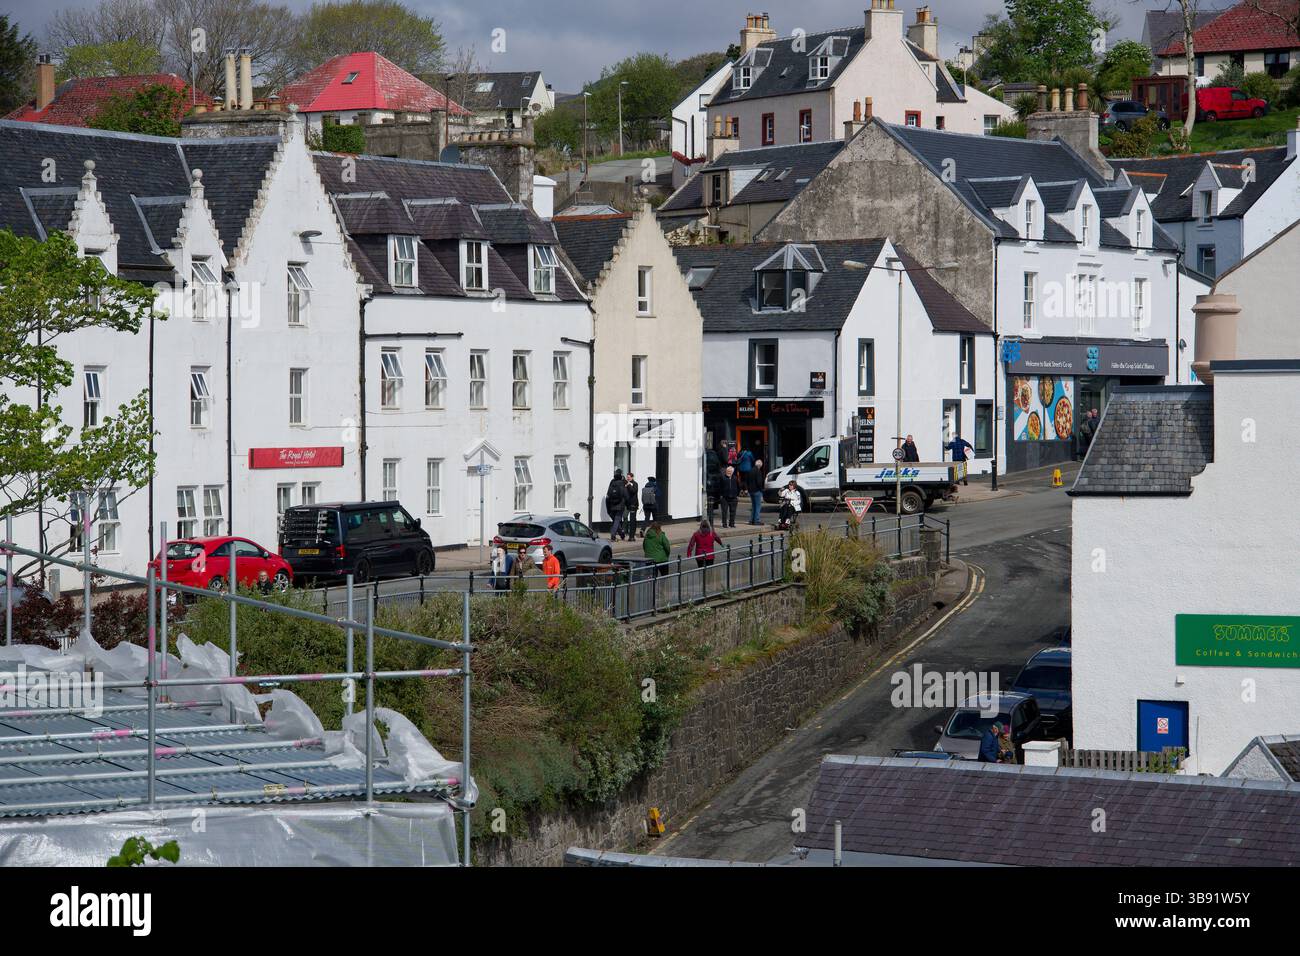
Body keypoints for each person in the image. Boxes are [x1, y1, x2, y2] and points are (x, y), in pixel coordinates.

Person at [605, 469, 626, 541]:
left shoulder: (612, 481)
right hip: (620, 504)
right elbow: (625, 494)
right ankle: (613, 535)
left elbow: (608, 494)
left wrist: (608, 505)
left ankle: (621, 533)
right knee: (617, 520)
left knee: (615, 520)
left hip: (612, 504)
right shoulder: (622, 482)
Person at [719, 464, 741, 529]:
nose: (728, 473)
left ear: (732, 472)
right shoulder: (723, 477)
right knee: (724, 512)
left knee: (733, 511)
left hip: (733, 497)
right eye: (727, 471)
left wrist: (737, 495)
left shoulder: (735, 478)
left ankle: (732, 524)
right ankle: (724, 524)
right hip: (725, 497)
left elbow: (738, 487)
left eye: (730, 471)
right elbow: (719, 487)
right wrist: (721, 495)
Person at [745, 457, 765, 525]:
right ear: (760, 465)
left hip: (751, 491)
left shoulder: (750, 470)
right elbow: (759, 482)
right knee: (758, 506)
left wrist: (748, 489)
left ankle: (751, 520)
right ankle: (757, 520)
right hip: (757, 491)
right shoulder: (758, 471)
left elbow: (747, 481)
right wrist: (761, 490)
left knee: (753, 506)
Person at [623, 472, 640, 540]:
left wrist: (629, 485)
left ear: (632, 477)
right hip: (626, 504)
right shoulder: (625, 484)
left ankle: (632, 534)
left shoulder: (635, 484)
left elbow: (634, 491)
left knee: (633, 519)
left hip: (633, 504)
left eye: (629, 477)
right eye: (627, 477)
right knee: (625, 516)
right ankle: (625, 530)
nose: (628, 478)